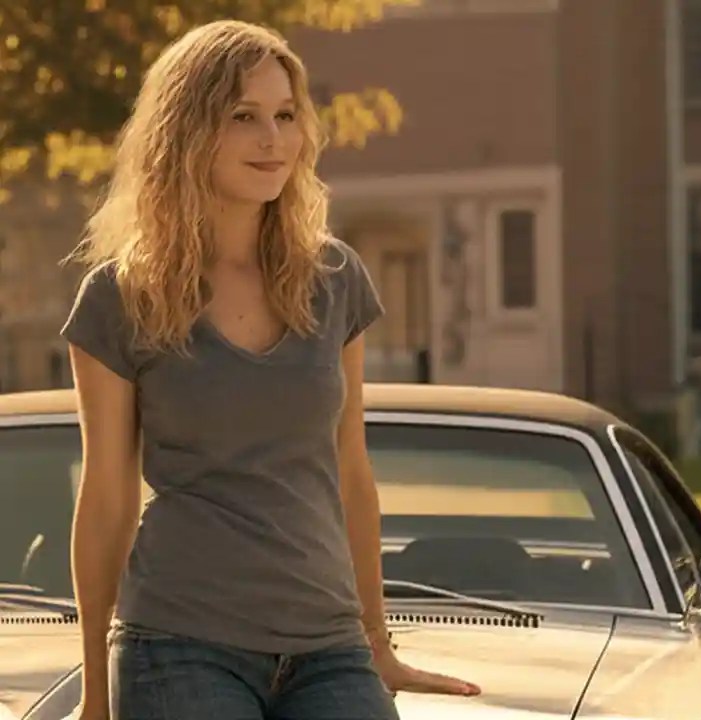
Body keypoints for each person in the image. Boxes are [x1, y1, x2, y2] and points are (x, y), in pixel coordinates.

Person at [59, 20, 481, 720]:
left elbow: (350, 472)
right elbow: (106, 498)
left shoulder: (334, 279)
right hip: (179, 643)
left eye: (285, 116)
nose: (273, 140)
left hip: (329, 647)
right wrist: (96, 697)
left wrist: (376, 643)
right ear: (187, 132)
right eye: (243, 117)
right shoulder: (120, 297)